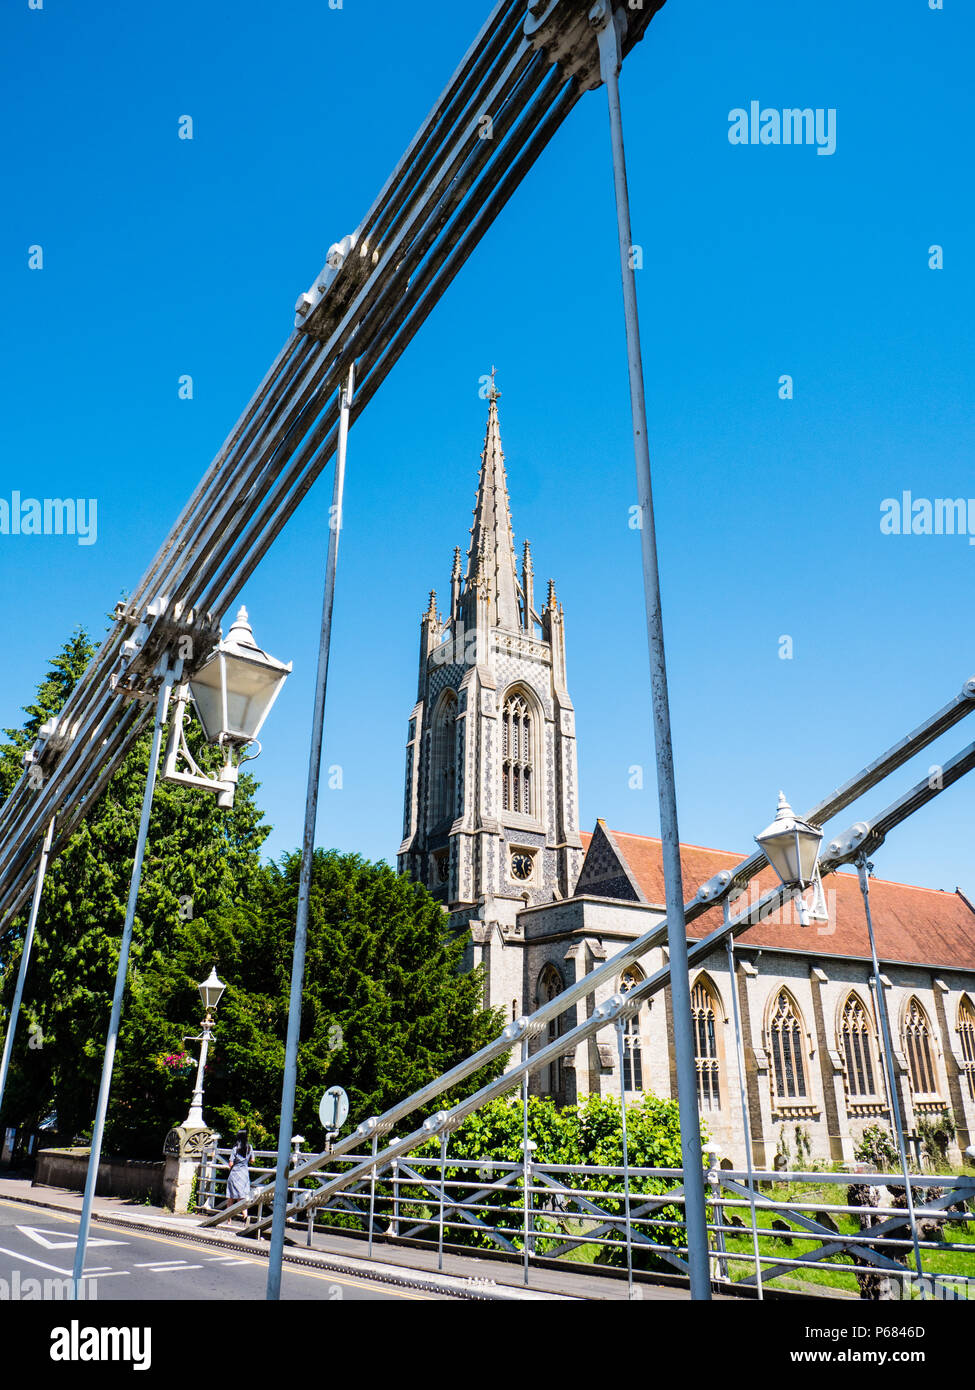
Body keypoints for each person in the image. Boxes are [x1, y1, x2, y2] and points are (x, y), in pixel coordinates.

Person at [225, 1129, 254, 1215]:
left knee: (231, 1197)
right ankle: (245, 1216)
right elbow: (252, 1160)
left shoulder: (235, 1149)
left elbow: (231, 1163)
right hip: (244, 1173)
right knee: (242, 1197)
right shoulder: (250, 1147)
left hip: (235, 1173)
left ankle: (228, 1218)